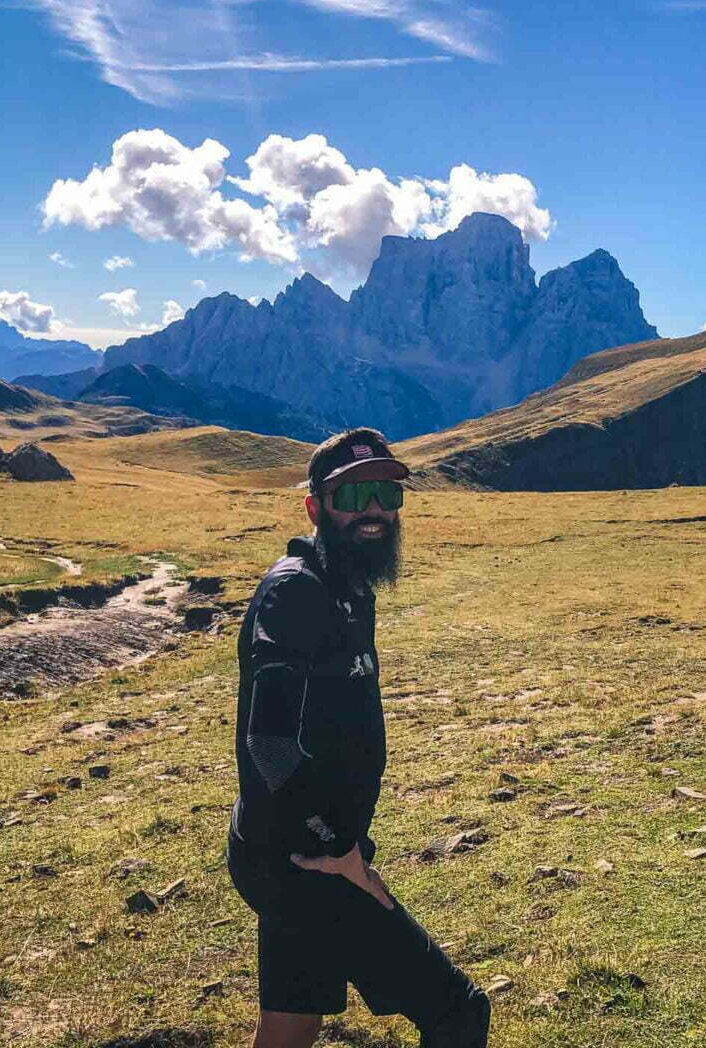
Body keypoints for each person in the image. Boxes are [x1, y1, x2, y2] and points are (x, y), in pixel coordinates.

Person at [226, 427, 490, 1048]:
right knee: (458, 1013)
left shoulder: (347, 583)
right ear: (315, 507)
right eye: (353, 495)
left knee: (291, 1026)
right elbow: (270, 742)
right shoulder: (298, 590)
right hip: (306, 858)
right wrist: (338, 848)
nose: (374, 510)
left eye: (385, 494)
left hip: (284, 846)